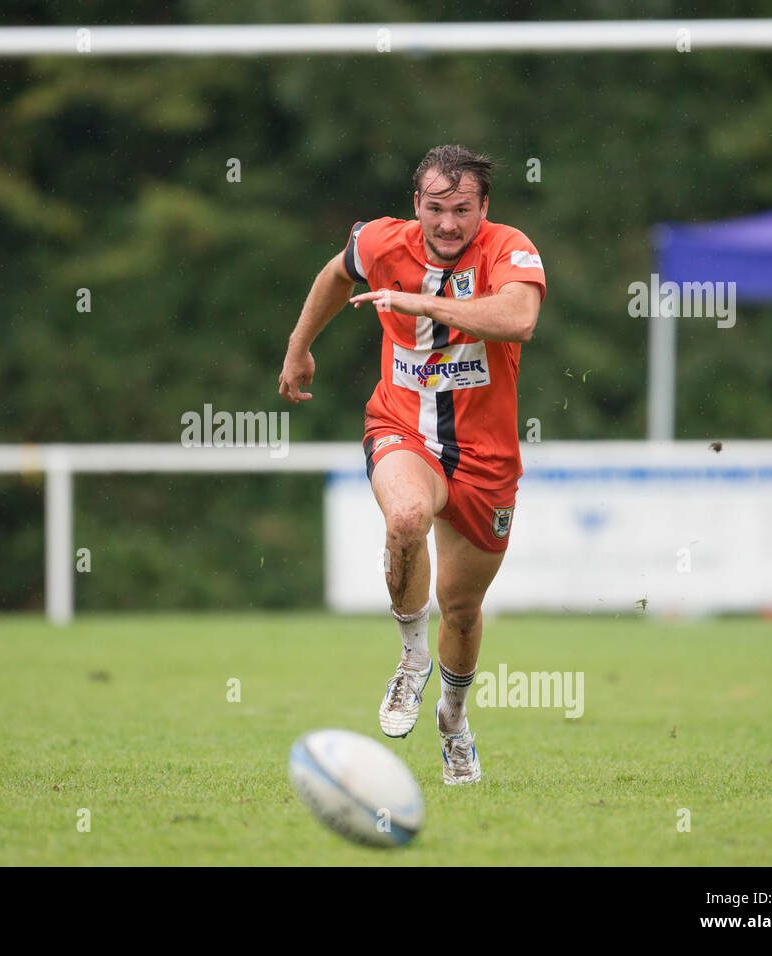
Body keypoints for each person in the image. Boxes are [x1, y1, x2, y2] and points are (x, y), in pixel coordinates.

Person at [278, 145, 545, 784]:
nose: (447, 224)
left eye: (461, 209)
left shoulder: (509, 248)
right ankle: (409, 658)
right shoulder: (380, 243)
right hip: (402, 429)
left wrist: (424, 306)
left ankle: (453, 719)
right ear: (415, 206)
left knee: (461, 608)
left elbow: (518, 318)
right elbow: (334, 275)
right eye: (434, 208)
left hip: (487, 461)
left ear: (484, 208)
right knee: (404, 516)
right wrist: (298, 349)